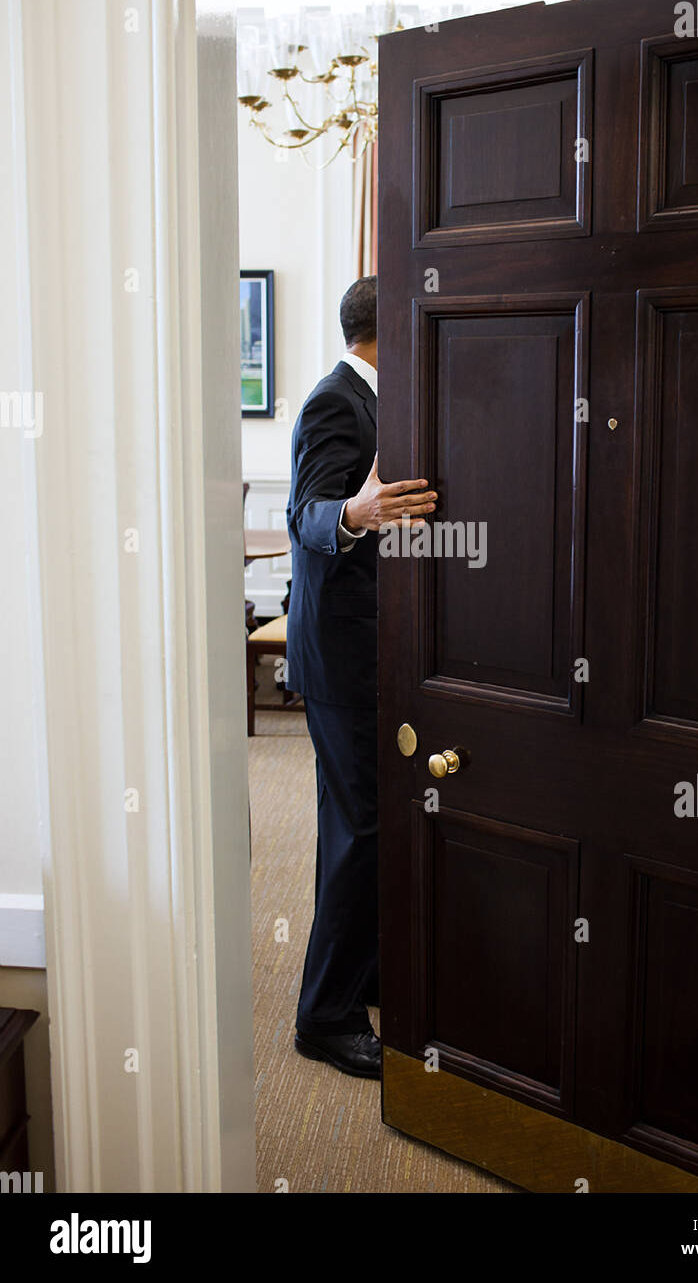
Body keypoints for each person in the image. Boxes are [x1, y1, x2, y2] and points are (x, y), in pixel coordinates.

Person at [285, 275, 436, 1078]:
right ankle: (324, 1017)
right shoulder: (335, 401)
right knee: (363, 827)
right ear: (390, 329)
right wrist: (354, 513)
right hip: (342, 655)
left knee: (358, 824)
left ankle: (364, 973)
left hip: (368, 646)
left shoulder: (378, 400)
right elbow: (305, 514)